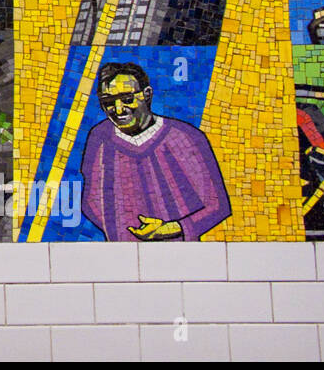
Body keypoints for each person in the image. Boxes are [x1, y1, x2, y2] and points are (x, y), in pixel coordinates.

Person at [80, 61, 231, 242]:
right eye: (108, 102)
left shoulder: (184, 137)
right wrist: (121, 230)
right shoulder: (100, 137)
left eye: (127, 99)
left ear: (147, 95)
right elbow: (91, 201)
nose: (118, 109)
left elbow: (217, 205)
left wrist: (172, 229)